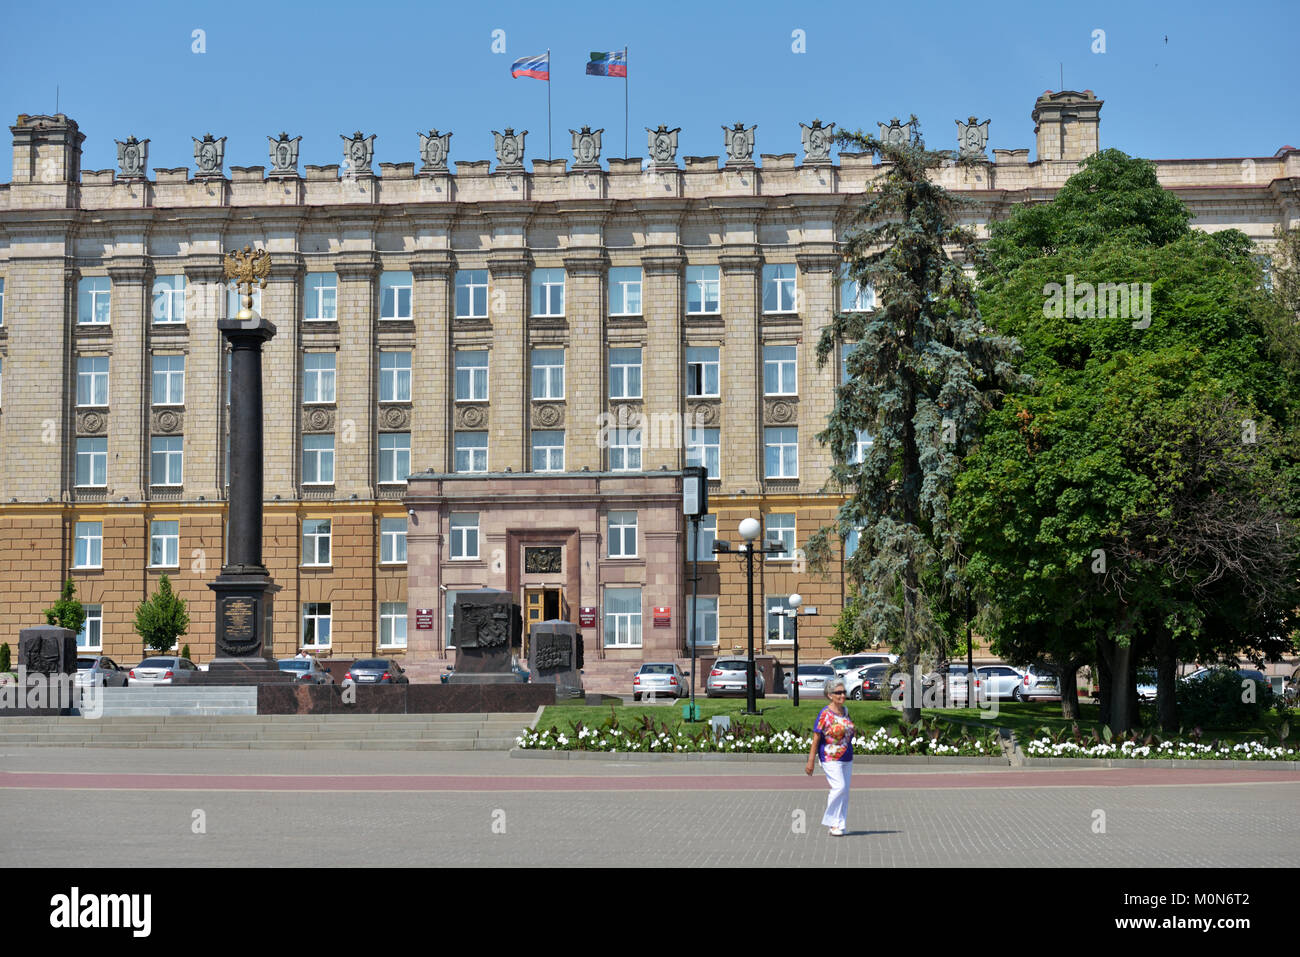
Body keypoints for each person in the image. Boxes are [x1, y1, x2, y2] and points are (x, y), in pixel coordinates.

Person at [805, 676, 855, 836]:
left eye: (844, 692)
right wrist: (811, 761)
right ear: (830, 695)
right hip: (830, 757)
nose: (842, 695)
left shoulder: (846, 711)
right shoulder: (824, 714)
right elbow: (816, 738)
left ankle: (840, 824)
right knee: (838, 787)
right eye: (838, 692)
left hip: (847, 756)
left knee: (845, 791)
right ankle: (832, 822)